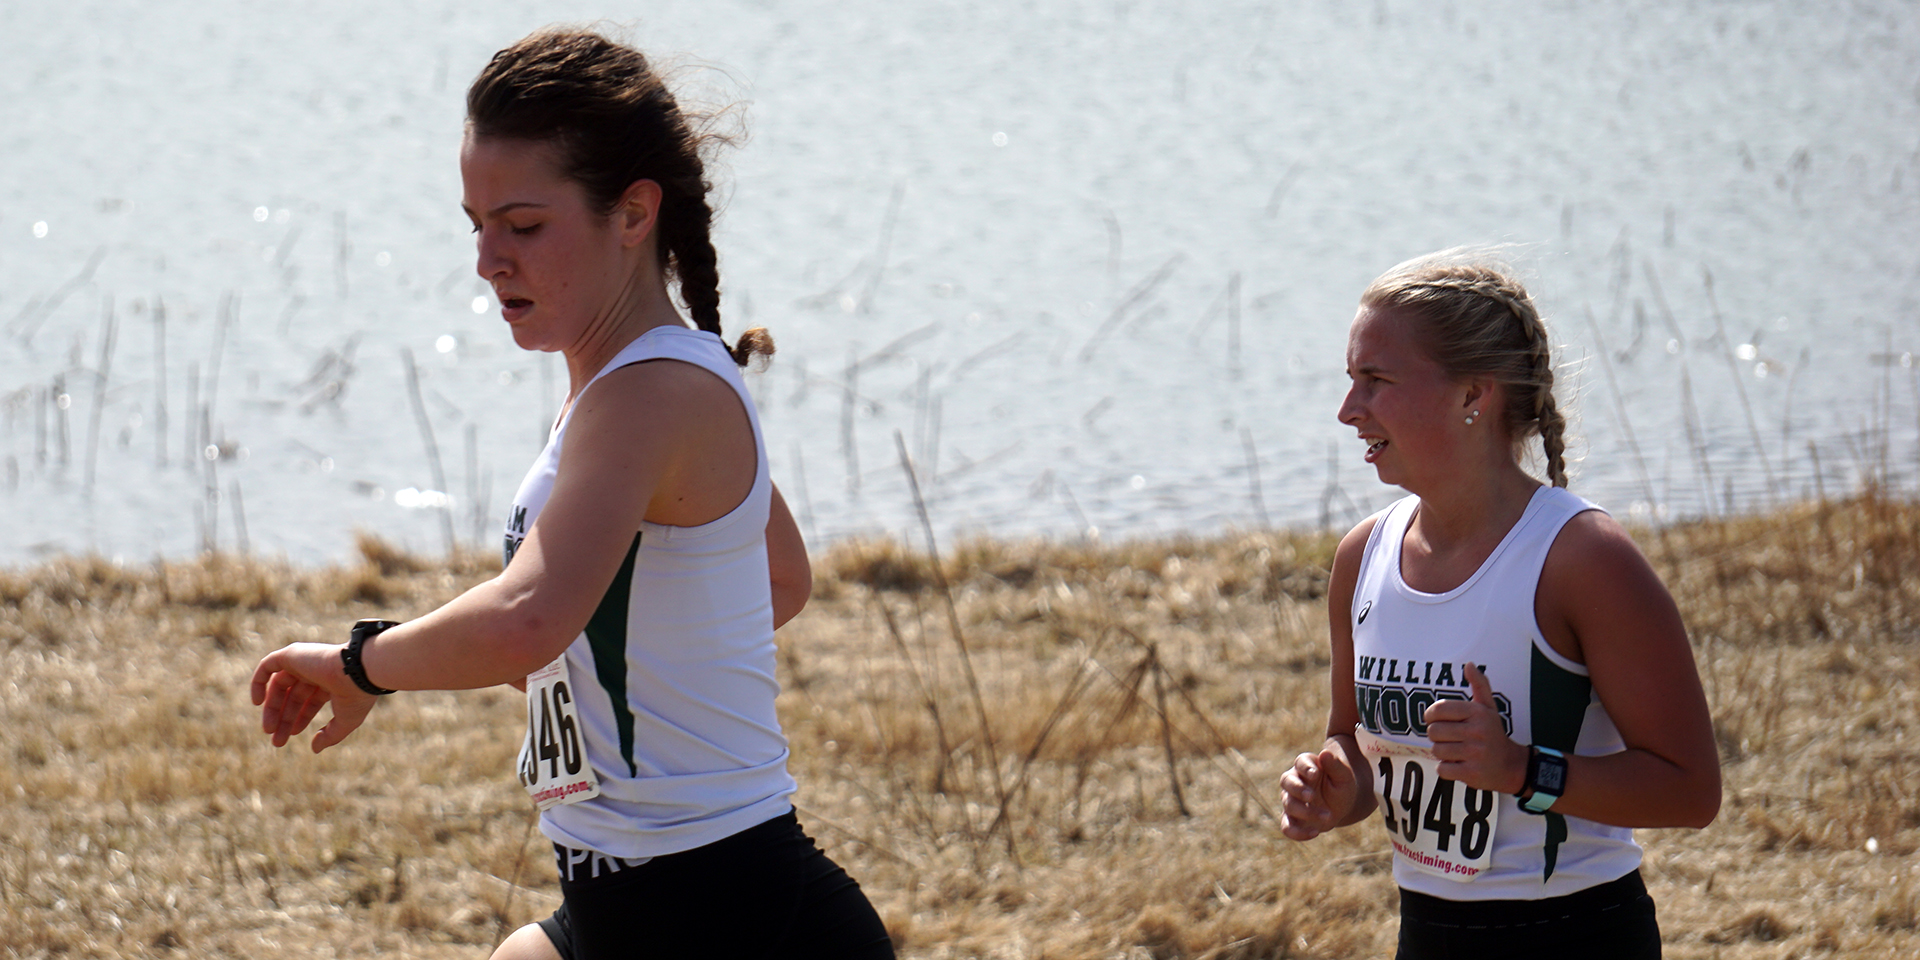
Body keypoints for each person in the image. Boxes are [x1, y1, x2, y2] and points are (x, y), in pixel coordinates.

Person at [249, 29, 894, 960]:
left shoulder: (651, 393)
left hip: (730, 912)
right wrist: (587, 652)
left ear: (633, 214)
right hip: (628, 900)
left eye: (523, 225)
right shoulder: (633, 388)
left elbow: (527, 620)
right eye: (476, 225)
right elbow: (776, 578)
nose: (487, 261)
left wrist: (358, 664)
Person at [1278, 251, 1720, 958]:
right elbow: (1355, 744)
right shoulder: (1363, 556)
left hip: (1575, 934)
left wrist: (1521, 770)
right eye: (1349, 380)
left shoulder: (1583, 559)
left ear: (1472, 396)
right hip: (1426, 933)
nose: (1347, 410)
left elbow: (1691, 791)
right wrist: (1335, 787)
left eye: (1375, 380)